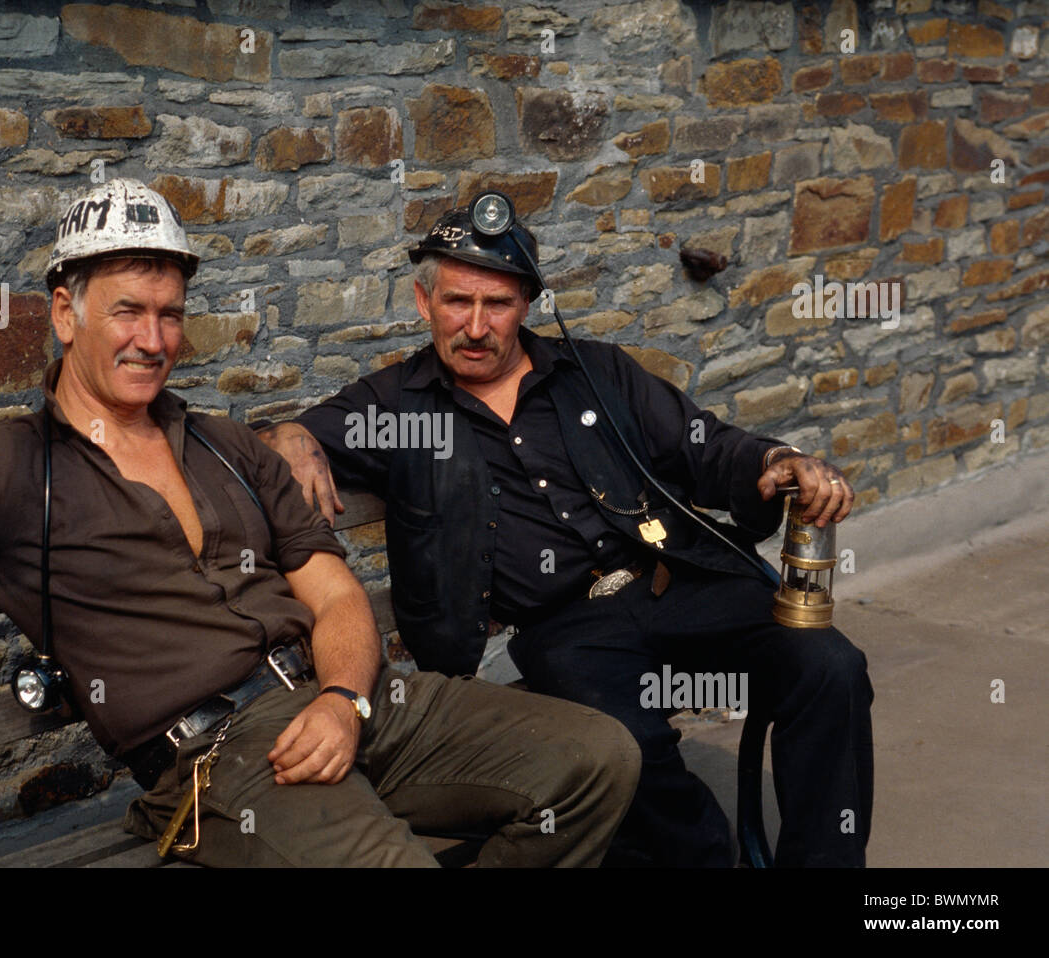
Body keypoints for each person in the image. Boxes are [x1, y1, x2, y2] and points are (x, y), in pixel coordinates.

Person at [0, 180, 641, 868]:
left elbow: (335, 596)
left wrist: (344, 700)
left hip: (347, 702)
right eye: (127, 311)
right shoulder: (7, 469)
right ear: (65, 313)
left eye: (169, 314)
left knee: (598, 757)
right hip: (225, 760)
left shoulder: (225, 444)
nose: (153, 339)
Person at [260, 203, 875, 867]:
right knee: (624, 745)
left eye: (497, 304)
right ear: (423, 300)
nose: (475, 327)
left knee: (831, 667)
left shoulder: (596, 373)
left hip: (679, 584)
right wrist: (288, 434)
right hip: (567, 631)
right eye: (457, 301)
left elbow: (704, 446)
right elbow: (266, 448)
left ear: (527, 303)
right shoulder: (395, 407)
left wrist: (775, 460)